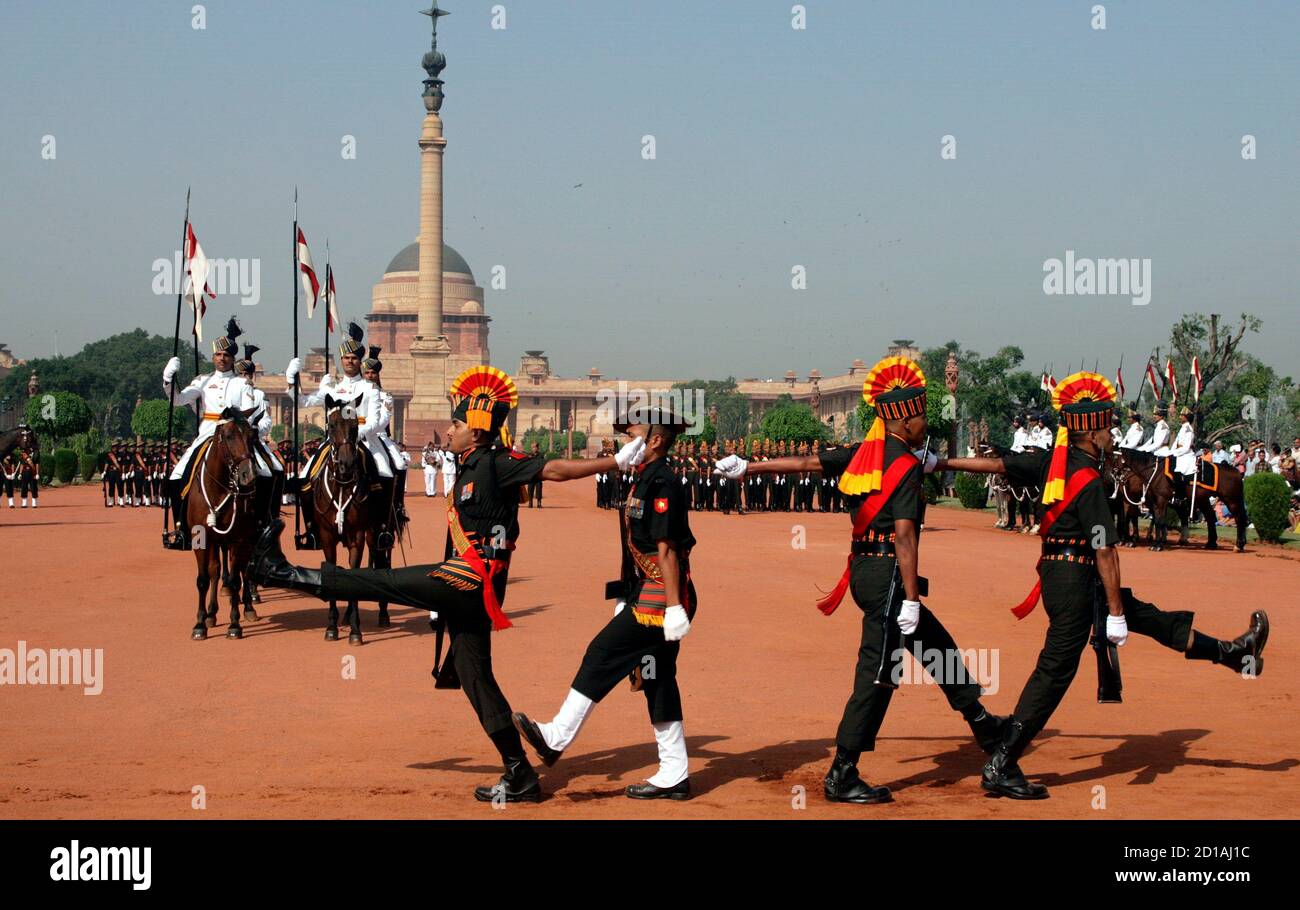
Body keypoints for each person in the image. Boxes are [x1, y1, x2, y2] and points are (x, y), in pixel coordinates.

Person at [248, 365, 648, 802]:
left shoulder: (497, 462)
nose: (449, 430)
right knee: (477, 680)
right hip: (465, 584)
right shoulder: (472, 464)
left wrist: (613, 460)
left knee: (380, 582)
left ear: (476, 433)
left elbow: (553, 470)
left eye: (456, 424)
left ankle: (280, 572)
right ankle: (520, 773)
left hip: (471, 580)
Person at [936, 371, 1270, 800]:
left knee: (1150, 618)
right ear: (1091, 432)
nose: (1113, 433)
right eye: (1108, 426)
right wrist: (1113, 614)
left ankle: (1231, 653)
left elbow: (998, 463)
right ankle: (1002, 761)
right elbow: (1106, 551)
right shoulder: (1088, 481)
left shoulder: (1053, 464)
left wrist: (940, 463)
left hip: (1064, 575)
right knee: (1056, 669)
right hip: (1078, 579)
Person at [713, 356, 1007, 805]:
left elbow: (806, 463)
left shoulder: (861, 454)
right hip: (889, 575)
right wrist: (910, 597)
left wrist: (748, 468)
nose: (926, 423)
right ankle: (842, 771)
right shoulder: (905, 466)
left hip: (864, 571)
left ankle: (983, 721)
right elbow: (906, 537)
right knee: (879, 674)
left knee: (935, 647)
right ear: (904, 418)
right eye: (922, 415)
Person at [513, 405, 698, 799]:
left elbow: (666, 550)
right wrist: (627, 595)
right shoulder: (643, 476)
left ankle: (556, 737)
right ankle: (676, 771)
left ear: (656, 440)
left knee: (602, 652)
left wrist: (675, 607)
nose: (625, 437)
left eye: (633, 432)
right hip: (648, 591)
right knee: (656, 676)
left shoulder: (661, 482)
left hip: (662, 596)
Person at [283, 322, 381, 550]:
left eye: (354, 359)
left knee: (385, 469)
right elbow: (303, 402)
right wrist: (292, 379)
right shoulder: (332, 389)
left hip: (362, 439)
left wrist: (353, 436)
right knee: (306, 476)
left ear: (360, 361)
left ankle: (381, 526)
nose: (350, 362)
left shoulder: (369, 389)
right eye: (346, 358)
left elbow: (375, 422)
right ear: (341, 360)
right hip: (334, 443)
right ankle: (312, 527)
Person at [161, 318, 258, 549]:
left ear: (233, 359)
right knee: (177, 476)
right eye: (218, 354)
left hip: (235, 437)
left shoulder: (242, 385)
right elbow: (178, 400)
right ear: (213, 357)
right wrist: (168, 379)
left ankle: (261, 523)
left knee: (264, 472)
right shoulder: (202, 381)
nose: (222, 358)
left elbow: (249, 415)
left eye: (226, 355)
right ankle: (184, 530)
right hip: (207, 435)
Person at [362, 346, 409, 541]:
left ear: (378, 374)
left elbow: (384, 420)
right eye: (367, 372)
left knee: (399, 464)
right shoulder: (355, 393)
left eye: (373, 372)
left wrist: (365, 427)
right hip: (355, 437)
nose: (370, 375)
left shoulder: (385, 396)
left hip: (378, 436)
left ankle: (396, 506)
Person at [235, 343, 284, 526]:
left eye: (248, 374)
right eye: (242, 374)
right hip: (232, 440)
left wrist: (255, 430)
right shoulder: (230, 392)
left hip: (254, 441)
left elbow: (266, 421)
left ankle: (270, 514)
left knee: (277, 469)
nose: (245, 377)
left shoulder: (259, 394)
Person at [526, 442, 544, 507]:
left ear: (537, 448)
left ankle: (539, 503)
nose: (533, 449)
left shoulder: (541, 455)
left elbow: (542, 464)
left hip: (538, 475)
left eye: (534, 447)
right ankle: (530, 502)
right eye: (532, 447)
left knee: (539, 489)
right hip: (531, 475)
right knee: (530, 489)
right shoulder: (529, 455)